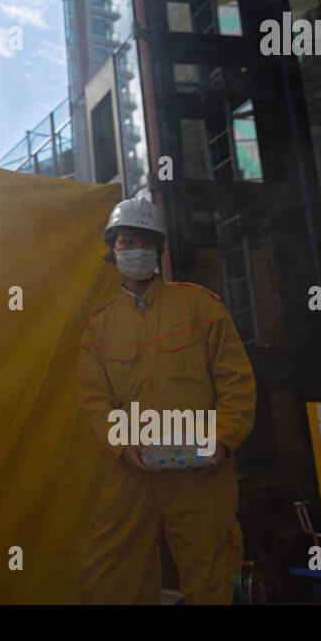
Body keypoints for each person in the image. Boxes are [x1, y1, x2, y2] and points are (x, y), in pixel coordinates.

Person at [77, 197, 256, 604]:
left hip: (202, 471)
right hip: (132, 470)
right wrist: (122, 447)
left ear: (159, 250)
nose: (134, 249)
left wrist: (224, 441)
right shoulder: (98, 327)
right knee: (111, 574)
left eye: (143, 241)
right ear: (112, 251)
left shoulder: (199, 306)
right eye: (125, 241)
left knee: (210, 572)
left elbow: (237, 382)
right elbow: (94, 402)